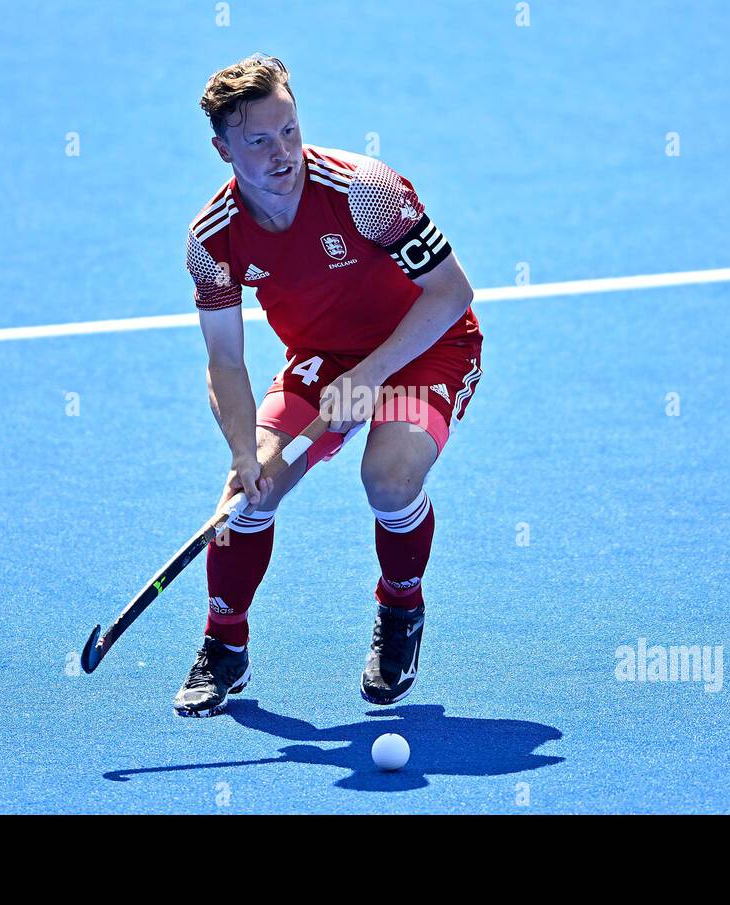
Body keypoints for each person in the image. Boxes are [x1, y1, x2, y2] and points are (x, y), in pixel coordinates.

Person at [175, 54, 483, 717]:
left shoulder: (363, 190)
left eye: (289, 130)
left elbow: (452, 293)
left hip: (425, 346)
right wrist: (239, 451)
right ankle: (225, 643)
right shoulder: (213, 239)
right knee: (246, 495)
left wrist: (371, 374)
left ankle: (400, 606)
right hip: (323, 358)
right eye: (258, 140)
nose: (283, 152)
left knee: (390, 476)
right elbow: (225, 361)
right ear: (222, 148)